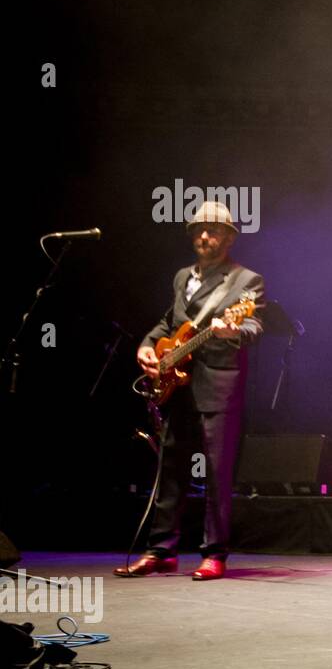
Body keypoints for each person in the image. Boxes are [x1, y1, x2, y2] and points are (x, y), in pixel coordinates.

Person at [116, 201, 265, 581]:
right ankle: (160, 551)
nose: (203, 236)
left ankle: (215, 553)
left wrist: (233, 330)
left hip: (218, 384)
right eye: (198, 230)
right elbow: (170, 321)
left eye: (213, 231)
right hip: (177, 385)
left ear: (229, 238)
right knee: (170, 470)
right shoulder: (182, 276)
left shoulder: (246, 281)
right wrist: (147, 346)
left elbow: (255, 328)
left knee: (217, 473)